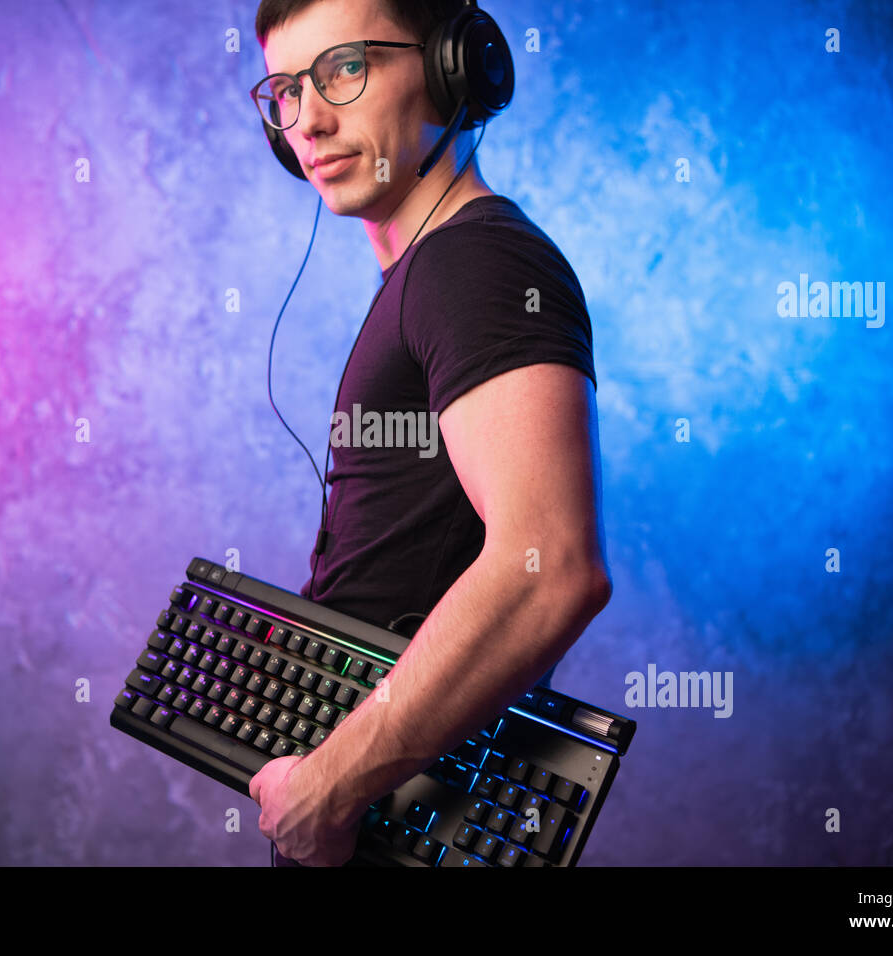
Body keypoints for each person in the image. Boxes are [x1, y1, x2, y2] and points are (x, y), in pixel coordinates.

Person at [247, 0, 614, 867]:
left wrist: (331, 782)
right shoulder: (432, 271)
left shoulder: (477, 265)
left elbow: (552, 570)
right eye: (286, 89)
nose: (310, 120)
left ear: (456, 67)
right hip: (388, 816)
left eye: (344, 68)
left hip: (390, 817)